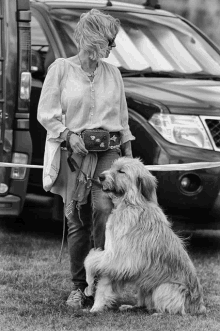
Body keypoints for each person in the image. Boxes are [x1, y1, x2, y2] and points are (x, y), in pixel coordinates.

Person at [37, 8, 135, 310]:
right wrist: (68, 135)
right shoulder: (61, 69)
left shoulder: (113, 73)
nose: (113, 46)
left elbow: (122, 120)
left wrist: (129, 161)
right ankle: (79, 287)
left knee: (105, 213)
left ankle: (103, 285)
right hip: (74, 154)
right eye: (110, 39)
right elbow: (46, 113)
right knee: (77, 219)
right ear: (93, 37)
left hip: (107, 152)